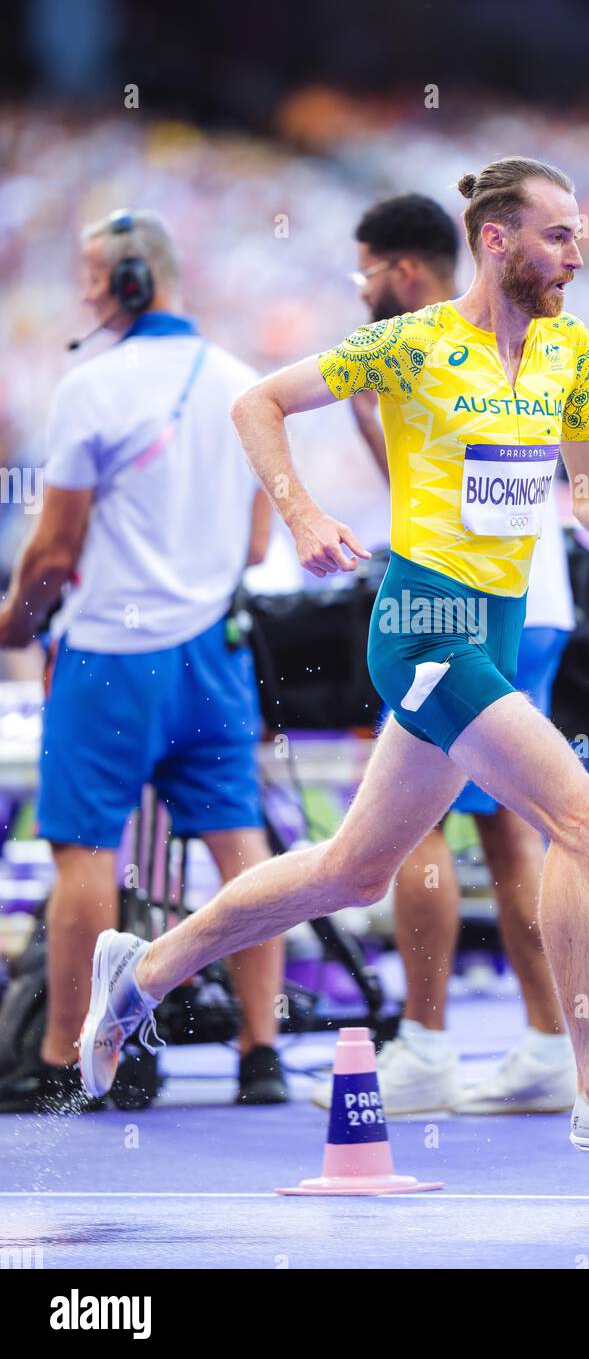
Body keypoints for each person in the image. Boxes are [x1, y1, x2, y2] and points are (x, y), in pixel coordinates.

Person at [80, 160, 589, 1166]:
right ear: (496, 240)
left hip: (499, 625)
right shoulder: (411, 342)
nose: (576, 253)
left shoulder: (565, 348)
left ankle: (142, 970)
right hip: (424, 624)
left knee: (352, 870)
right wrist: (301, 513)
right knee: (585, 820)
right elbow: (256, 402)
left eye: (579, 234)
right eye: (556, 235)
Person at [0, 209, 288, 1111]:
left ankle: (65, 1059)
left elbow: (53, 553)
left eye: (92, 276)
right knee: (241, 848)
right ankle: (261, 1051)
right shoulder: (245, 380)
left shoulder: (92, 387)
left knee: (85, 852)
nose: (84, 293)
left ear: (123, 284)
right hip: (212, 651)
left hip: (110, 658)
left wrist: (14, 624)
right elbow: (248, 549)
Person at [312, 193, 577, 1115]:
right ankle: (547, 1038)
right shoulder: (526, 342)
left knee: (421, 824)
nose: (362, 292)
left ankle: (426, 1043)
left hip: (467, 602)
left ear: (406, 271)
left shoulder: (418, 350)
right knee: (514, 823)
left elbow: (419, 497)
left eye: (366, 274)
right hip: (536, 597)